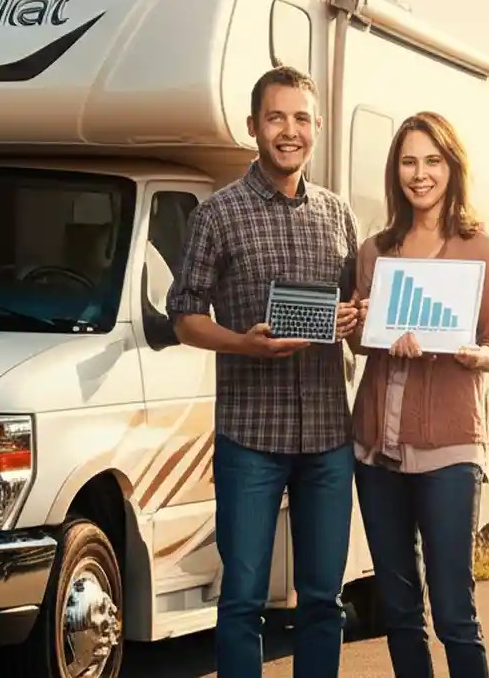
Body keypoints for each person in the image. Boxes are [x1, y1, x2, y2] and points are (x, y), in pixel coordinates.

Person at [166, 65, 361, 678]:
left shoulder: (338, 214)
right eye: (276, 118)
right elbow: (183, 315)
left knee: (324, 600)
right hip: (250, 439)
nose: (289, 131)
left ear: (317, 128)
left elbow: (352, 303)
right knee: (243, 600)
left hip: (329, 437)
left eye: (301, 119)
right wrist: (244, 345)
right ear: (253, 126)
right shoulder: (218, 214)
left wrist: (354, 318)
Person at [346, 111, 489, 678]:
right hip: (376, 453)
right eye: (409, 162)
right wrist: (360, 327)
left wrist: (474, 355)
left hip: (449, 452)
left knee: (453, 612)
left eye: (432, 161)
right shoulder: (375, 252)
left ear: (452, 168)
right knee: (398, 612)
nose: (420, 174)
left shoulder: (481, 251)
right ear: (396, 172)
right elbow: (361, 345)